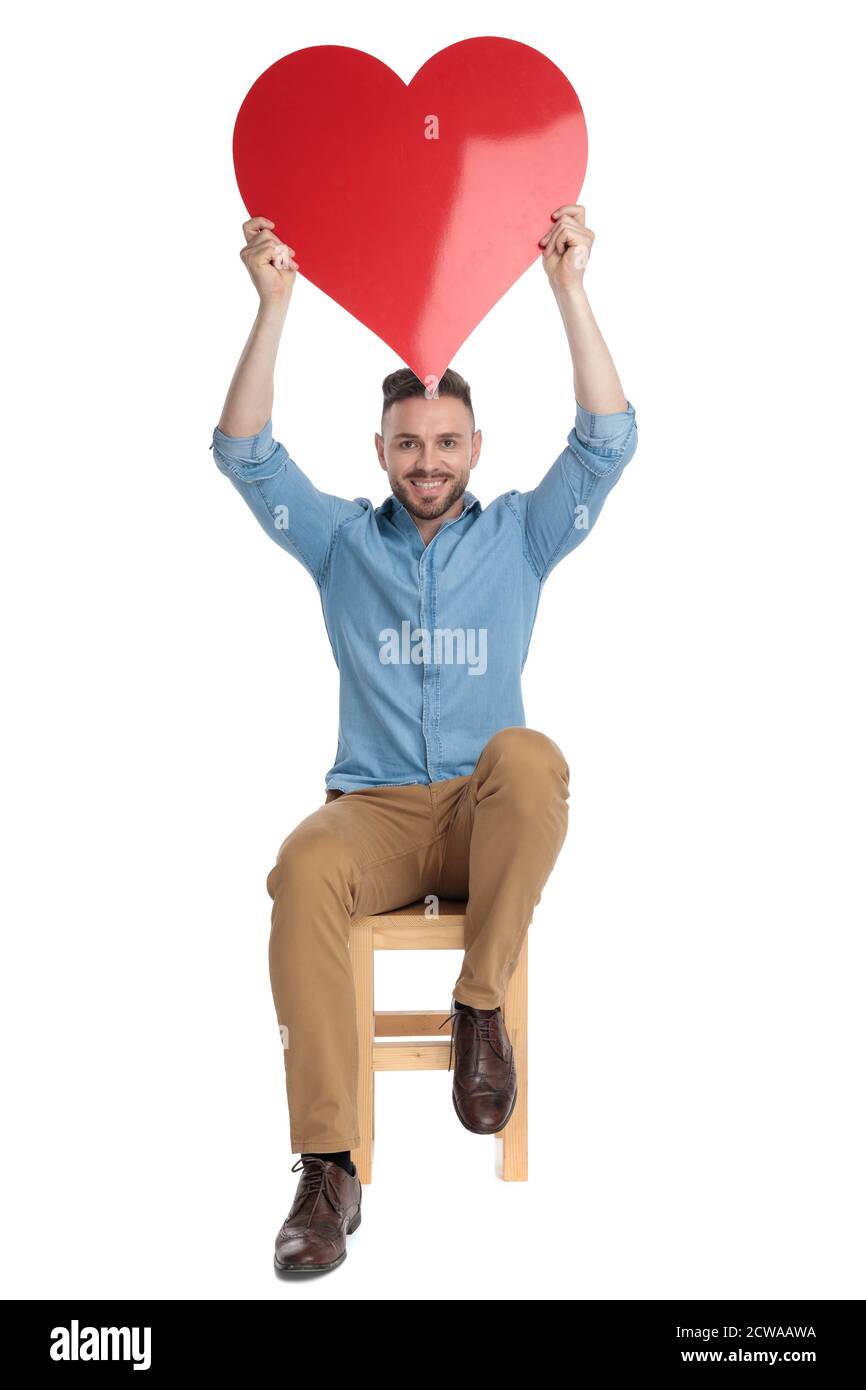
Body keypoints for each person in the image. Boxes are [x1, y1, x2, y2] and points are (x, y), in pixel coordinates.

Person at [210, 205, 638, 1274]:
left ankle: (477, 1005)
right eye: (409, 444)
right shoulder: (342, 542)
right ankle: (327, 1168)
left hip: (488, 812)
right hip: (380, 817)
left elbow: (607, 441)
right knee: (302, 862)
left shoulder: (520, 538)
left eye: (446, 442)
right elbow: (244, 454)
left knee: (531, 755)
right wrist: (273, 307)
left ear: (473, 446)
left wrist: (566, 291)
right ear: (382, 449)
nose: (428, 461)